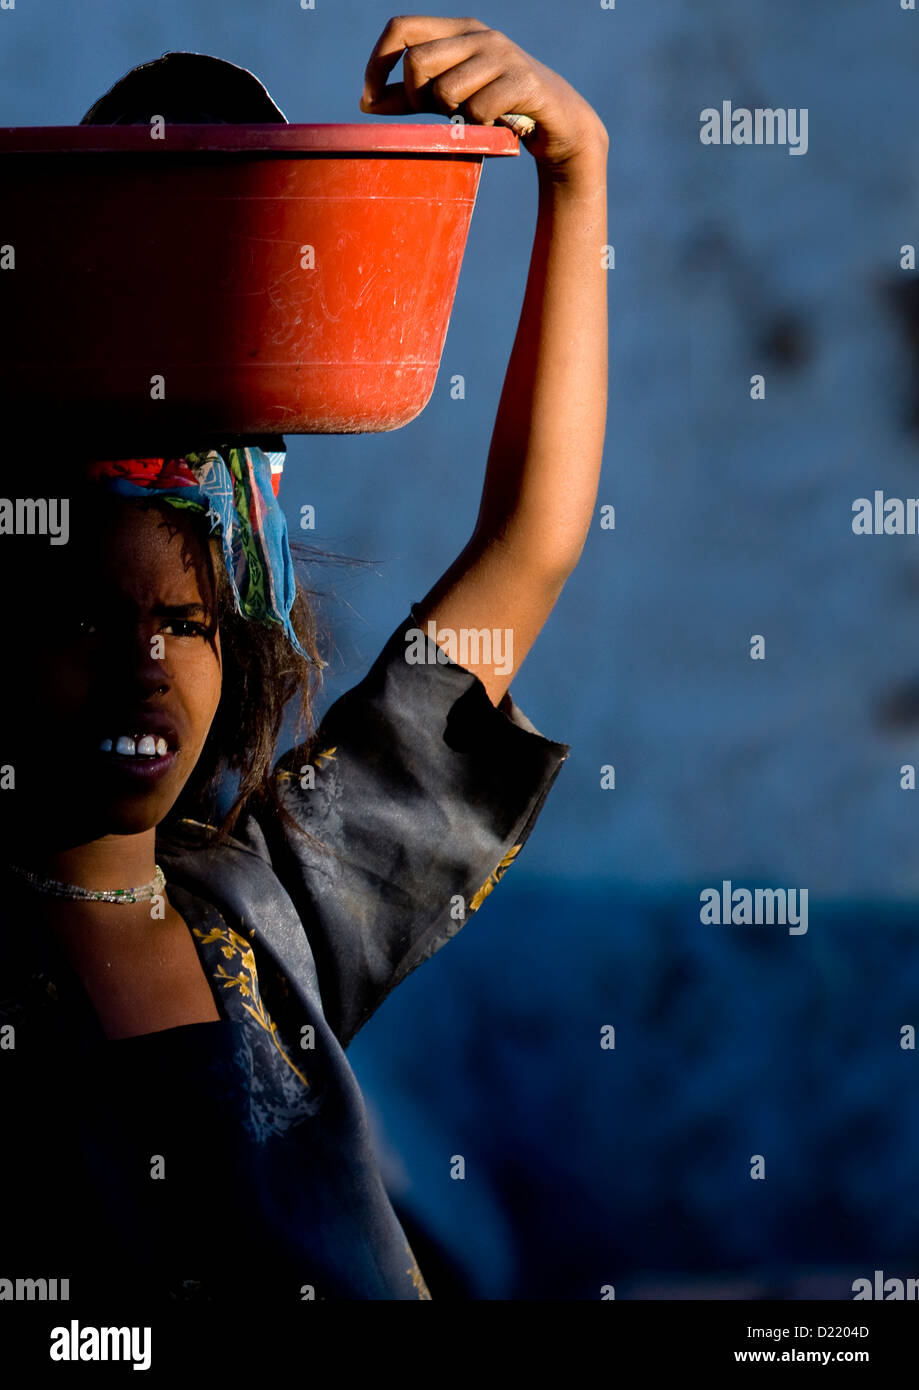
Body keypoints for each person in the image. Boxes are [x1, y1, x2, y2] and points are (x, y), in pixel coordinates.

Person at [0, 17, 607, 1304]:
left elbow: (527, 551)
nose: (148, 669)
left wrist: (575, 180)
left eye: (195, 624)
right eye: (89, 623)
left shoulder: (274, 915)